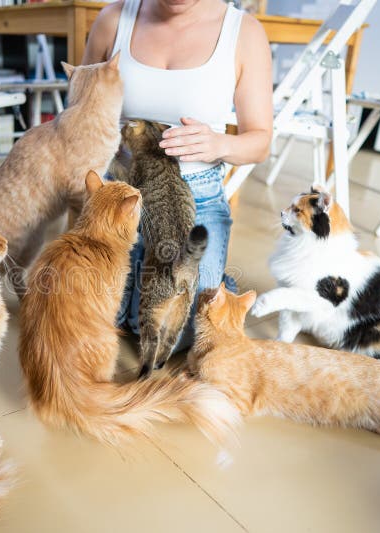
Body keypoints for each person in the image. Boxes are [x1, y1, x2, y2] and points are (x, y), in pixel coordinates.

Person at [82, 0, 273, 347]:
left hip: (194, 194)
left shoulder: (243, 32)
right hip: (120, 192)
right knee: (94, 315)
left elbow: (260, 142)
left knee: (183, 330)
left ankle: (215, 279)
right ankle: (192, 276)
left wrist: (219, 144)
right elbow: (80, 110)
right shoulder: (113, 19)